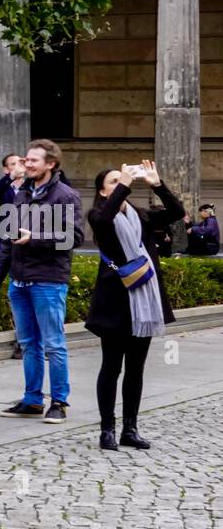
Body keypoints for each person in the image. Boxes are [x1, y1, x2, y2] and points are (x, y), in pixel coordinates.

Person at [0, 138, 84, 425]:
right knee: (28, 344)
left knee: (53, 344)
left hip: (49, 280)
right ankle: (32, 400)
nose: (26, 164)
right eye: (26, 160)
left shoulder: (66, 195)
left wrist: (35, 239)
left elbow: (73, 238)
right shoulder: (21, 195)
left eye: (32, 160)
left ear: (50, 164)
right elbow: (9, 239)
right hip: (19, 281)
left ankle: (59, 402)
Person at [86, 161, 180, 451]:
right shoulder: (98, 214)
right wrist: (126, 182)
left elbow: (177, 214)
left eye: (121, 181)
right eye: (113, 182)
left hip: (145, 302)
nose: (120, 184)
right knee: (111, 367)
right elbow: (103, 222)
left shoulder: (141, 216)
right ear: (102, 191)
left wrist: (156, 184)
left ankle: (130, 427)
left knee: (136, 369)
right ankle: (106, 430)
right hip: (116, 301)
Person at [0, 152, 27, 360]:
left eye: (21, 162)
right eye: (13, 164)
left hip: (30, 246)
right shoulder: (4, 190)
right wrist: (12, 177)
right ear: (6, 169)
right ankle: (21, 340)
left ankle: (26, 342)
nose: (19, 166)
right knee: (14, 295)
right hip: (7, 245)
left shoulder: (34, 187)